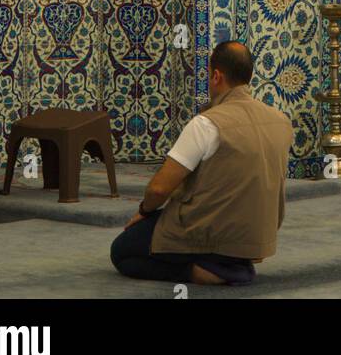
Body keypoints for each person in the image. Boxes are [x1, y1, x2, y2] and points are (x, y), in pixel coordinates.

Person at [111, 41, 294, 287]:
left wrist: (143, 212)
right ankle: (234, 264)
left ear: (216, 76)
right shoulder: (281, 121)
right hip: (258, 236)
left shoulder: (207, 123)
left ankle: (202, 271)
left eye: (209, 76)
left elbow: (159, 189)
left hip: (212, 231)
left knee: (123, 251)